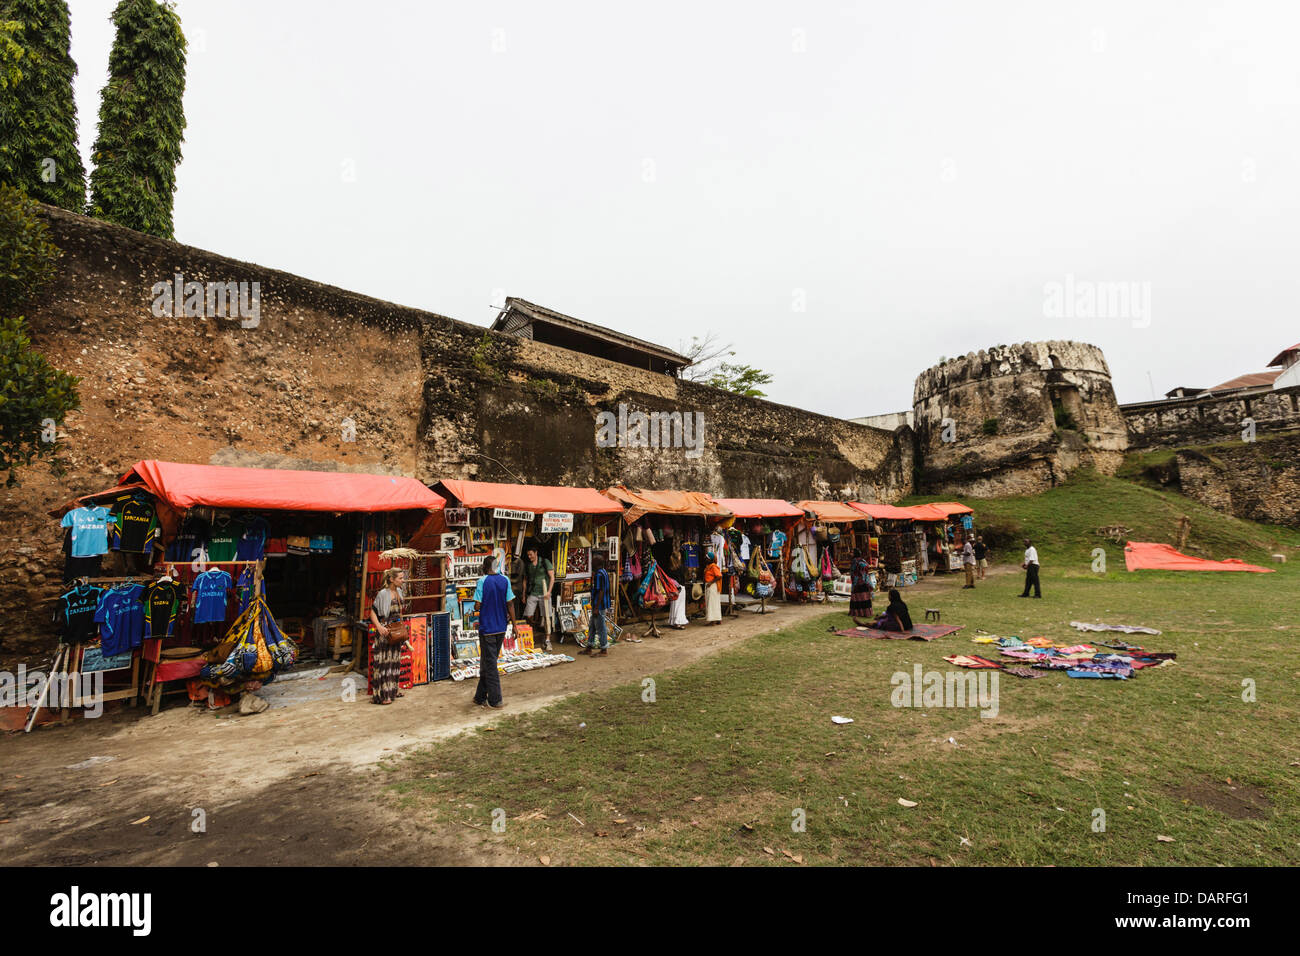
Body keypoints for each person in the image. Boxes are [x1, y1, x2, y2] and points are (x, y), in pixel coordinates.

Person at [472, 555, 515, 708]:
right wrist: (515, 625)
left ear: (485, 566)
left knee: (490, 665)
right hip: (501, 627)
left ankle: (495, 700)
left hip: (487, 628)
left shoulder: (482, 581)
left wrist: (478, 605)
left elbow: (477, 605)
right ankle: (479, 696)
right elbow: (510, 603)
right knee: (488, 662)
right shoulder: (505, 580)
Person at [368, 567, 407, 705]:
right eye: (400, 578)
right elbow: (372, 612)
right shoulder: (383, 594)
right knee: (384, 664)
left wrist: (402, 628)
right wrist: (379, 627)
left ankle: (393, 690)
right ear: (391, 579)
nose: (403, 580)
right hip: (385, 632)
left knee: (394, 661)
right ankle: (383, 695)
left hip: (396, 632)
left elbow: (399, 613)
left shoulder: (399, 592)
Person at [523, 546, 555, 651]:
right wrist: (524, 594)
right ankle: (531, 633)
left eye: (531, 554)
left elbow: (552, 577)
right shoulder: (529, 566)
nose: (529, 557)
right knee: (528, 615)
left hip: (545, 593)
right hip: (533, 593)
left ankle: (547, 640)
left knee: (547, 617)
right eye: (528, 555)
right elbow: (525, 580)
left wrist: (549, 592)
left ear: (536, 553)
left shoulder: (545, 562)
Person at [583, 552, 613, 656]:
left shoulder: (599, 575)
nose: (591, 562)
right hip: (600, 604)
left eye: (593, 561)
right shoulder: (603, 572)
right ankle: (589, 647)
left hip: (599, 605)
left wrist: (596, 607)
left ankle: (604, 649)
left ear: (597, 563)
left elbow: (601, 591)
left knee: (600, 627)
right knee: (592, 626)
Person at [849, 548, 874, 625]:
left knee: (857, 597)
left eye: (852, 552)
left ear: (855, 553)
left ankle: (857, 612)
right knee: (865, 597)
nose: (850, 553)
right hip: (864, 581)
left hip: (858, 582)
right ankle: (866, 612)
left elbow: (853, 570)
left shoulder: (855, 561)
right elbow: (867, 567)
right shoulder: (862, 560)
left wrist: (855, 574)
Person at [702, 550, 723, 625]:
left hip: (712, 586)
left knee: (711, 603)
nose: (705, 559)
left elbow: (719, 576)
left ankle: (712, 620)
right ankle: (717, 619)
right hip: (710, 585)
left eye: (707, 558)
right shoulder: (709, 567)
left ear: (710, 559)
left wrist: (710, 582)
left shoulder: (713, 566)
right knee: (714, 603)